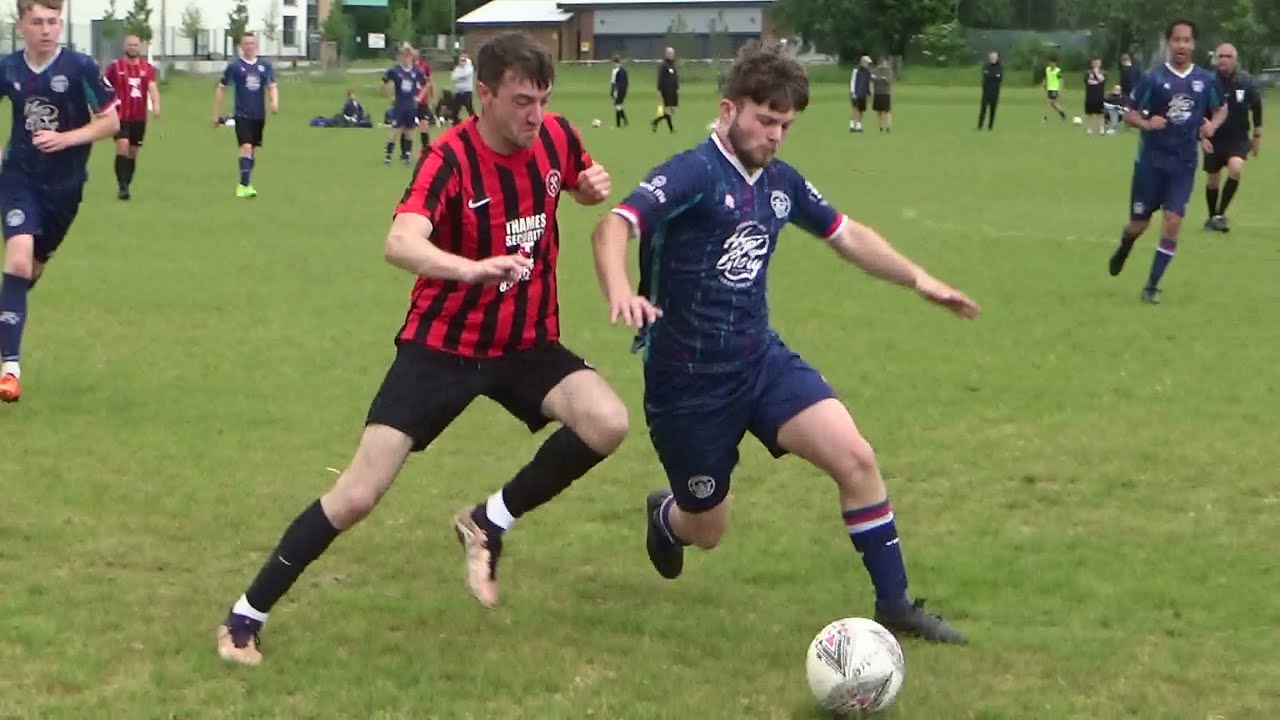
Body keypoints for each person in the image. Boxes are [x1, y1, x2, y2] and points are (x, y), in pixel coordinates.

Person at [215, 31, 624, 666]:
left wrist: (588, 186)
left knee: (606, 420)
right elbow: (400, 241)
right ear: (482, 94)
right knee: (356, 494)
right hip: (444, 345)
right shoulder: (450, 158)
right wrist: (470, 269)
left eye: (542, 99)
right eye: (520, 100)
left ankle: (488, 521)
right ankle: (245, 616)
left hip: (524, 341)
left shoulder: (556, 136)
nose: (534, 115)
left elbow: (574, 180)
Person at [590, 41, 979, 644]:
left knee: (855, 458)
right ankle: (668, 515)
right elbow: (615, 225)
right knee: (709, 528)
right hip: (687, 385)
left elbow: (846, 234)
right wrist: (620, 288)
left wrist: (919, 279)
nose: (774, 134)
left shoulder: (781, 183)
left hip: (760, 361)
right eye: (764, 120)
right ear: (729, 110)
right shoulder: (693, 171)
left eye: (785, 124)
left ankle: (895, 606)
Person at [0, 0, 119, 403]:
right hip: (19, 177)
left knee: (28, 272)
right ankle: (10, 369)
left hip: (65, 188)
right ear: (21, 25)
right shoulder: (8, 68)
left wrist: (66, 139)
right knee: (16, 259)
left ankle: (6, 319)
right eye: (38, 22)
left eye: (53, 22)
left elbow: (111, 121)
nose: (47, 30)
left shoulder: (80, 67)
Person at [1107, 19, 1226, 305]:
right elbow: (1129, 113)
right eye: (1177, 40)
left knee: (1173, 222)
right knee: (1138, 224)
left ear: (1194, 44)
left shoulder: (1206, 80)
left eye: (1187, 40)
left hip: (1183, 165)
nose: (1182, 45)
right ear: (1168, 43)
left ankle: (1151, 285)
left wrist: (1212, 126)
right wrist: (1147, 123)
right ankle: (1126, 245)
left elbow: (1221, 109)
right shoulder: (1154, 78)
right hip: (1151, 163)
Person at [1202, 43, 1262, 233]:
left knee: (1236, 168)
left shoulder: (1245, 81)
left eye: (1228, 56)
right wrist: (1202, 137)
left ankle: (1220, 214)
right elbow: (1199, 113)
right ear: (1215, 59)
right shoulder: (1209, 82)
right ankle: (1212, 217)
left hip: (1238, 138)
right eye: (1220, 56)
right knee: (1213, 180)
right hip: (1214, 138)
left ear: (1235, 60)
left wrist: (1257, 133)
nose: (1223, 60)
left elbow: (1257, 106)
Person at [212, 33, 278, 198]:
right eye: (246, 43)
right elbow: (221, 87)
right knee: (246, 146)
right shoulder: (235, 67)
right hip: (242, 115)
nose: (249, 46)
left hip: (259, 115)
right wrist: (215, 113)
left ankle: (247, 182)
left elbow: (271, 86)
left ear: (256, 46)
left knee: (252, 150)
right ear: (241, 46)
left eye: (251, 43)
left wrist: (274, 102)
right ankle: (243, 186)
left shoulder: (264, 66)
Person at [104, 34, 159, 200]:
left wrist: (156, 104)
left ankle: (127, 183)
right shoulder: (115, 67)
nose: (133, 47)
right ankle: (122, 186)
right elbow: (104, 86)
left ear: (140, 47)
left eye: (135, 45)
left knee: (133, 153)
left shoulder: (147, 68)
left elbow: (152, 86)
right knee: (123, 146)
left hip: (139, 117)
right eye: (130, 45)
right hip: (120, 115)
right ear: (124, 46)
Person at [382, 44, 429, 165]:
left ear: (412, 57)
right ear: (401, 57)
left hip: (410, 105)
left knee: (409, 131)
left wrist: (419, 97)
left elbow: (425, 84)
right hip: (399, 104)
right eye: (404, 55)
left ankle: (407, 155)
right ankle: (388, 155)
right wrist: (390, 96)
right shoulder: (395, 70)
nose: (406, 58)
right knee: (395, 130)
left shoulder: (417, 71)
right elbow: (384, 82)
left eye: (408, 56)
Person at [651, 46, 678, 133]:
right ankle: (671, 129)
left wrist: (677, 88)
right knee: (668, 109)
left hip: (673, 90)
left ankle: (655, 121)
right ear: (666, 54)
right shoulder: (663, 65)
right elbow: (660, 78)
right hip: (666, 90)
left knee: (672, 110)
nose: (672, 55)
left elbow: (675, 77)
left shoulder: (673, 64)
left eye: (673, 53)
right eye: (670, 53)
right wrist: (659, 90)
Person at [978, 50, 1002, 130]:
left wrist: (992, 76)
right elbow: (986, 76)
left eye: (995, 57)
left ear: (997, 58)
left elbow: (999, 78)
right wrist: (994, 76)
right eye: (991, 57)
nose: (993, 59)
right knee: (983, 110)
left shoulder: (999, 67)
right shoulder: (986, 66)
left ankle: (990, 126)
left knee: (992, 110)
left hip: (995, 92)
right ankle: (980, 126)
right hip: (986, 92)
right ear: (989, 58)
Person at [1083, 58, 1106, 135]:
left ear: (1100, 64)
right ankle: (1089, 130)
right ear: (1092, 64)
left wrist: (1096, 74)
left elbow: (1102, 80)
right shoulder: (1087, 73)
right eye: (1095, 63)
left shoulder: (1103, 72)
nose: (1096, 64)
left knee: (1101, 114)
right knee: (1089, 114)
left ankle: (1101, 130)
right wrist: (1096, 81)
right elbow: (1089, 82)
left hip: (1099, 96)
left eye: (1098, 63)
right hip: (1090, 96)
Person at [871, 57, 893, 132]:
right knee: (879, 111)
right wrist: (877, 78)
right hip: (877, 93)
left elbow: (889, 81)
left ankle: (888, 127)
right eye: (882, 63)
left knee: (887, 111)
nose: (884, 65)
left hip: (885, 93)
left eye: (885, 63)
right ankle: (881, 126)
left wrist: (884, 79)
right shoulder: (875, 71)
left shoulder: (889, 71)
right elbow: (872, 79)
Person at [849, 55, 871, 133]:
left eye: (868, 63)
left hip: (863, 94)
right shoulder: (856, 70)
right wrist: (852, 92)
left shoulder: (868, 72)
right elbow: (853, 81)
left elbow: (867, 83)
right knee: (854, 109)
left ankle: (859, 126)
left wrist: (868, 94)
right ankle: (852, 125)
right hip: (856, 93)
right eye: (867, 62)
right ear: (862, 62)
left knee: (861, 110)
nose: (868, 64)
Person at [451, 52, 475, 119]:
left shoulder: (470, 68)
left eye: (464, 60)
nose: (462, 61)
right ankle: (455, 121)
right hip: (459, 91)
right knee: (455, 108)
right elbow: (454, 78)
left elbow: (466, 74)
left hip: (467, 91)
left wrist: (459, 77)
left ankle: (475, 121)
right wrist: (460, 78)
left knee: (469, 107)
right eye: (461, 60)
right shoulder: (457, 69)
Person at [1043, 57, 1066, 122]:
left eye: (1053, 63)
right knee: (1053, 104)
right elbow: (1047, 77)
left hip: (1054, 89)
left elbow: (1061, 80)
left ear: (1055, 63)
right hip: (1049, 89)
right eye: (1050, 63)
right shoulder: (1047, 69)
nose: (1051, 64)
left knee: (1048, 103)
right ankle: (1062, 113)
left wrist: (1059, 90)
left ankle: (1045, 118)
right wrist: (1045, 82)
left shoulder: (1057, 71)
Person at [610, 54, 628, 128]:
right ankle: (624, 121)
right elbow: (626, 82)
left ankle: (619, 124)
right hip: (623, 90)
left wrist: (612, 92)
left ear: (614, 62)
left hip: (618, 90)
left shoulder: (615, 71)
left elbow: (613, 83)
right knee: (619, 106)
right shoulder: (624, 70)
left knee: (617, 106)